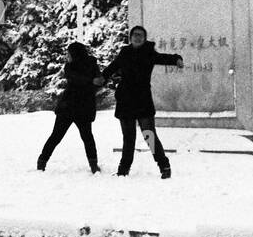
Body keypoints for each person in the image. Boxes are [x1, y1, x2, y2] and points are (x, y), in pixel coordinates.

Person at [102, 26, 184, 178]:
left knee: (149, 135)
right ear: (130, 37)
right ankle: (123, 169)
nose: (137, 37)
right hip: (125, 99)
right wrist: (101, 77)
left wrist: (176, 59)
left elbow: (163, 58)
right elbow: (112, 67)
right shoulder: (124, 53)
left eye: (140, 35)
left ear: (145, 38)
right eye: (134, 35)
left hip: (142, 99)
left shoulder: (149, 52)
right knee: (128, 137)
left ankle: (164, 166)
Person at [37, 41, 104, 173]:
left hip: (81, 107)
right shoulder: (69, 67)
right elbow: (76, 79)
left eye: (69, 53)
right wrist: (92, 81)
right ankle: (42, 162)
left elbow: (97, 81)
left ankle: (93, 165)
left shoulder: (91, 64)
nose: (67, 56)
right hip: (68, 108)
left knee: (87, 137)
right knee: (57, 136)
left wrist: (98, 82)